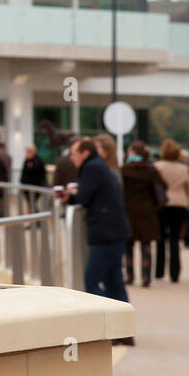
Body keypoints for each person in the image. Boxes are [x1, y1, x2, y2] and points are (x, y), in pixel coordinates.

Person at [56, 138, 132, 337]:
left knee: (91, 281)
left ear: (85, 153)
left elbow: (84, 198)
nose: (71, 157)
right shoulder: (99, 166)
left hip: (105, 234)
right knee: (114, 281)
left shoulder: (92, 168)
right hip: (115, 232)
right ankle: (123, 332)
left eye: (74, 153)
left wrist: (71, 196)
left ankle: (109, 325)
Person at [121, 141, 164, 287]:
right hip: (147, 211)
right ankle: (146, 277)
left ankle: (130, 275)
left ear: (132, 152)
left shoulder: (124, 170)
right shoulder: (151, 170)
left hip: (128, 210)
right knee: (146, 245)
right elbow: (161, 188)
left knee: (128, 245)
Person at [153, 139, 189, 284]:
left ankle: (159, 271)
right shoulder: (183, 169)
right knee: (175, 239)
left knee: (160, 239)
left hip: (162, 204)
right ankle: (175, 273)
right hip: (179, 204)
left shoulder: (157, 166)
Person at [20, 144, 47, 210]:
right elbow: (24, 173)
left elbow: (41, 175)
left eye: (27, 152)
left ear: (32, 152)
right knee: (31, 205)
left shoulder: (38, 161)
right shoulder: (26, 161)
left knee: (34, 205)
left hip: (36, 188)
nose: (26, 154)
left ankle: (37, 219)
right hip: (27, 188)